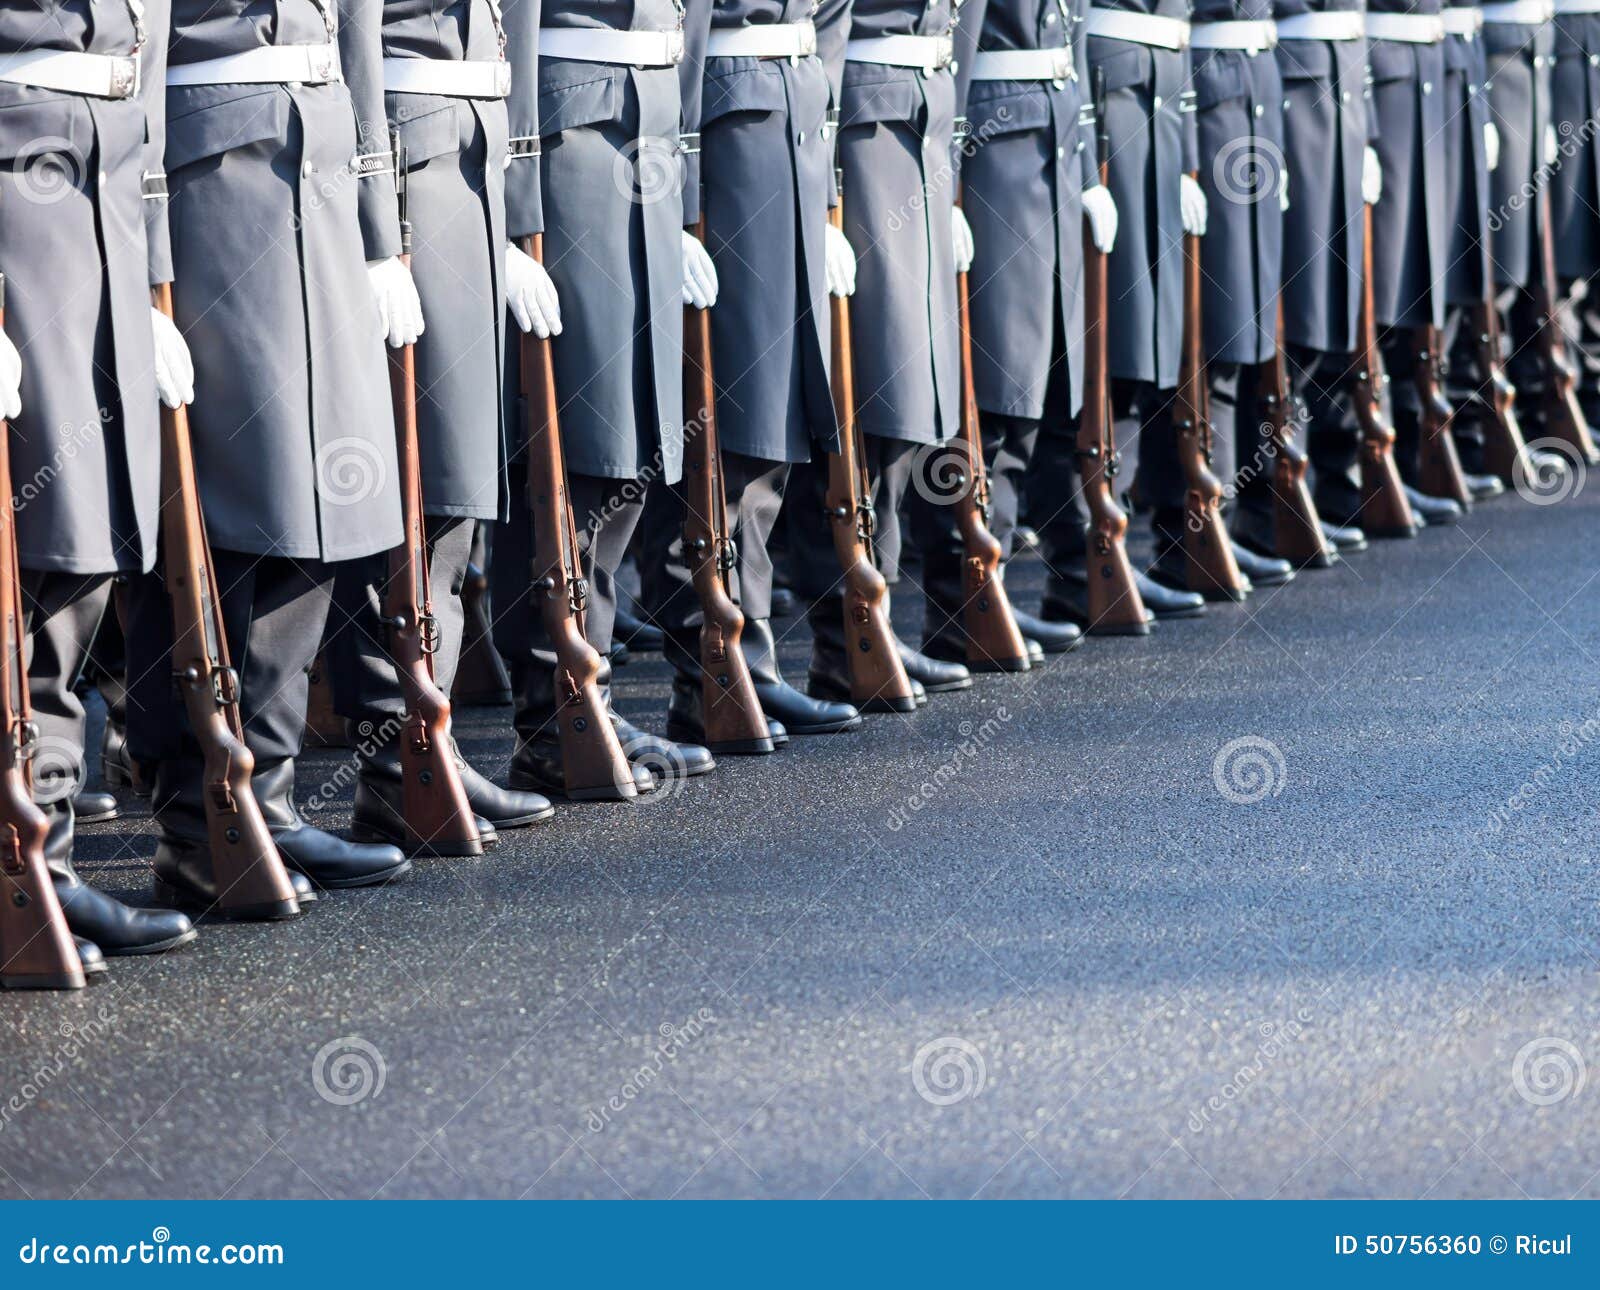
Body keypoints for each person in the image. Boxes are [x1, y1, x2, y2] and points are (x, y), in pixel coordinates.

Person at [127, 0, 415, 902]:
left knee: (326, 497)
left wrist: (380, 233)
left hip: (320, 166)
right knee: (233, 498)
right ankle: (195, 818)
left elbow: (357, 37)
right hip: (213, 170)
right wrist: (146, 256)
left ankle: (272, 801)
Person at [327, 0, 557, 849]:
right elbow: (354, 32)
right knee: (403, 489)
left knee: (457, 480)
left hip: (467, 154)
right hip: (401, 154)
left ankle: (433, 740)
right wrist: (376, 235)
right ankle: (393, 758)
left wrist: (509, 207)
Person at [0, 0, 198, 959]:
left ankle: (49, 862)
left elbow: (144, 56)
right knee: (29, 545)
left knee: (88, 542)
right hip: (16, 194)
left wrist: (153, 270)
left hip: (107, 199)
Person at [492, 0, 718, 798]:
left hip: (648, 127)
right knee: (583, 437)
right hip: (570, 128)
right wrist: (516, 215)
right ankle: (552, 713)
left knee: (641, 432)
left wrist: (684, 197)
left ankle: (590, 689)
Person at [637, 0, 864, 742]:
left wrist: (825, 192)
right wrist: (683, 199)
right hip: (724, 134)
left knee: (775, 420)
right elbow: (684, 32)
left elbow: (831, 21)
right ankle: (706, 667)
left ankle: (750, 660)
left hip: (790, 127)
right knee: (724, 424)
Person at [956, 0, 1119, 645]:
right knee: (1003, 386)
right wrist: (945, 189)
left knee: (1056, 378)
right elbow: (957, 46)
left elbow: (1069, 38)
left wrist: (1083, 165)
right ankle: (968, 596)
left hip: (1051, 139)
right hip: (994, 147)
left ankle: (1059, 577)